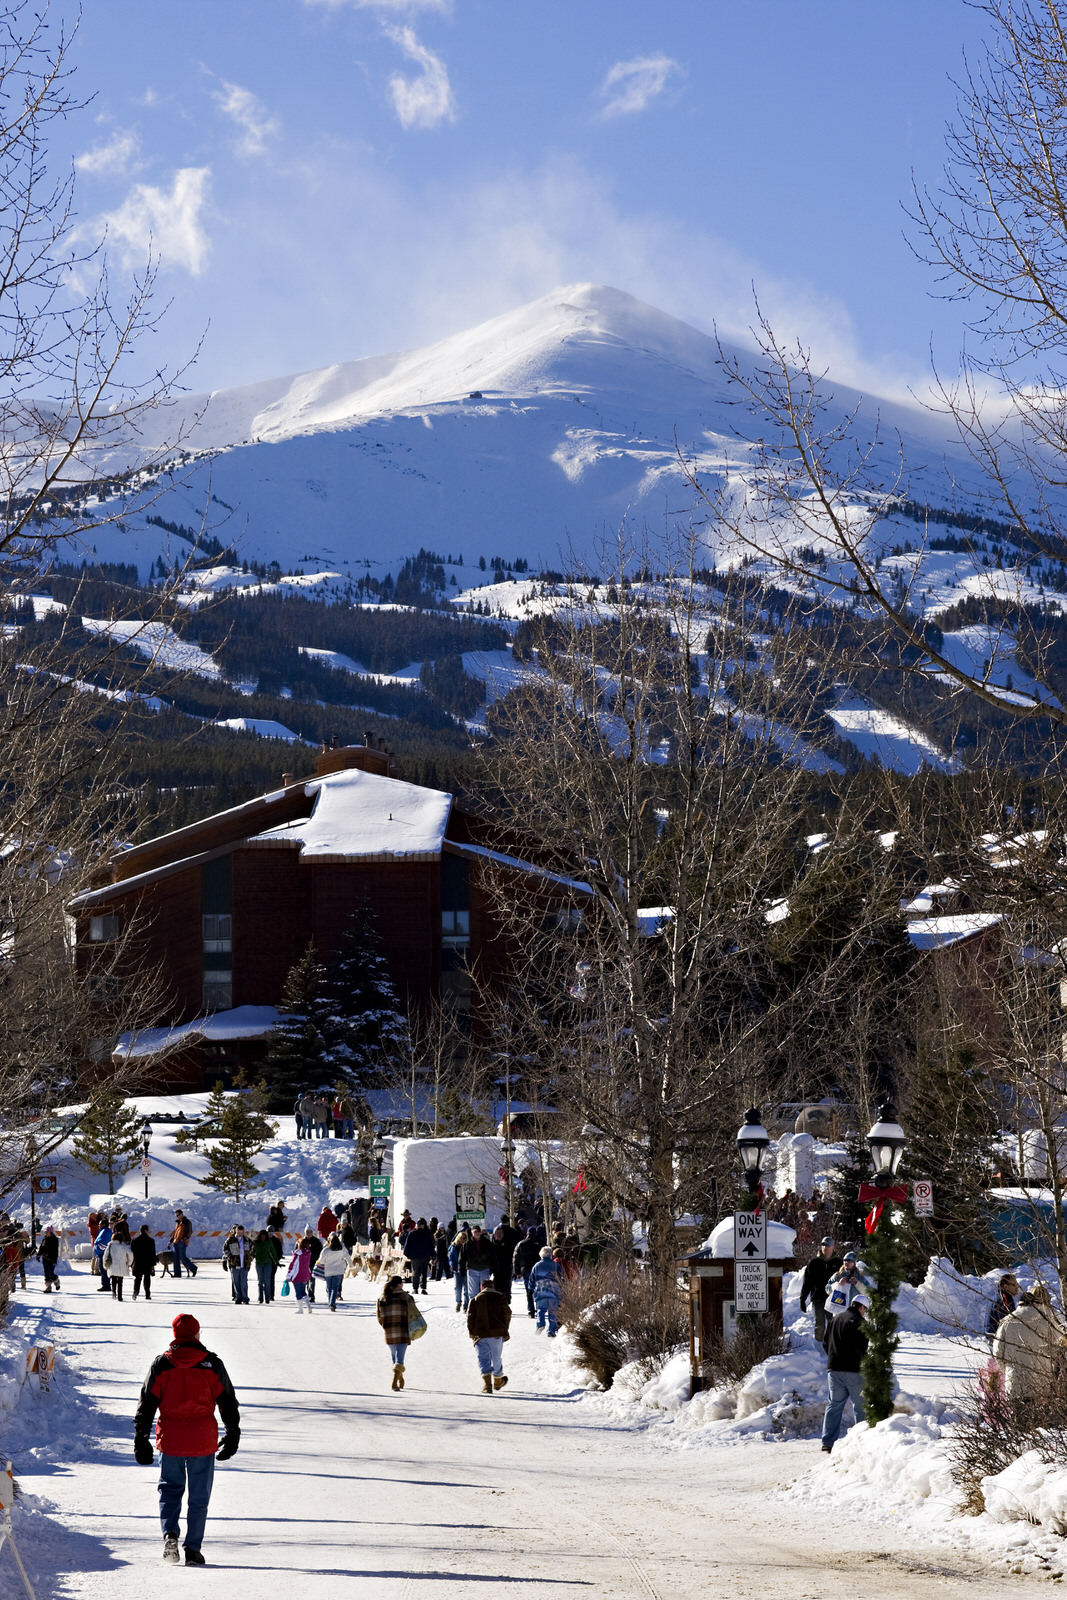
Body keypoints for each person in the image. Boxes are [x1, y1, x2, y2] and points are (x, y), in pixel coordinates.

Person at [134, 1312, 240, 1567]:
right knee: (199, 1496)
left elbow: (147, 1403)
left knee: (169, 1489)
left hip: (171, 1439)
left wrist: (141, 1436)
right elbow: (227, 1401)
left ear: (175, 1336)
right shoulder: (212, 1364)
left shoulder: (162, 1364)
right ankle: (193, 1548)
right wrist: (233, 1432)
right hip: (202, 1440)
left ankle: (170, 1534)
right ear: (196, 1334)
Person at [992, 1285, 1066, 1400]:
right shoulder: (1049, 1321)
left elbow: (998, 1353)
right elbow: (1058, 1349)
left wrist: (1010, 1371)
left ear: (1020, 1304)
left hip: (1016, 1386)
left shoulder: (1007, 1322)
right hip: (1043, 1385)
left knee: (1018, 1416)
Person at [820, 1292, 869, 1453]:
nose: (865, 1313)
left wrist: (834, 1357)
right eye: (865, 1310)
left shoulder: (835, 1319)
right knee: (860, 1406)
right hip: (854, 1369)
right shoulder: (860, 1322)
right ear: (861, 1307)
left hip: (833, 1369)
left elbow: (825, 1343)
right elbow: (862, 1347)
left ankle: (828, 1442)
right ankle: (861, 1441)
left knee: (834, 1405)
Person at [467, 1275, 512, 1392]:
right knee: (496, 1357)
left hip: (480, 1334)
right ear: (493, 1287)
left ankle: (487, 1385)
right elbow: (507, 1314)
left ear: (481, 1288)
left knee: (483, 1358)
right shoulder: (500, 1297)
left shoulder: (475, 1299)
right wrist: (504, 1328)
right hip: (497, 1333)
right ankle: (498, 1381)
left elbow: (470, 1317)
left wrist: (472, 1333)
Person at [376, 1273, 418, 1390]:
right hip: (403, 1330)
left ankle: (400, 1377)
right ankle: (394, 1383)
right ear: (400, 1284)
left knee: (394, 1356)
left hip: (389, 1331)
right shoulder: (406, 1297)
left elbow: (379, 1317)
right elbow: (413, 1314)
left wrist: (386, 1326)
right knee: (400, 1357)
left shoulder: (382, 1298)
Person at [799, 1237, 842, 1343]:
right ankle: (818, 1348)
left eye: (827, 1245)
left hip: (833, 1299)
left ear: (833, 1247)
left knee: (833, 1324)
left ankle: (832, 1346)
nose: (825, 1247)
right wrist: (802, 1299)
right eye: (823, 1245)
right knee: (820, 1325)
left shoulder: (839, 1263)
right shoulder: (814, 1263)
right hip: (817, 1298)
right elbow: (807, 1283)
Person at [530, 1246, 562, 1336]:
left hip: (541, 1291)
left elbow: (532, 1279)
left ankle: (540, 1324)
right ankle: (551, 1331)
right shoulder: (556, 1265)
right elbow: (561, 1278)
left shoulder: (536, 1266)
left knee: (540, 1309)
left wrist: (531, 1288)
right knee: (553, 1311)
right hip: (553, 1291)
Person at [460, 1224, 495, 1302]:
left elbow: (492, 1255)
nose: (477, 1233)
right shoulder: (467, 1244)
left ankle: (485, 1308)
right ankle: (473, 1308)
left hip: (484, 1268)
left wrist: (492, 1267)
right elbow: (462, 1257)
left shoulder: (487, 1242)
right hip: (472, 1269)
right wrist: (461, 1268)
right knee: (473, 1292)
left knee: (485, 1290)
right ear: (472, 1233)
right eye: (475, 1231)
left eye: (478, 1231)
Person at [514, 1229, 541, 1318]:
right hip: (538, 1269)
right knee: (538, 1290)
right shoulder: (540, 1243)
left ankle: (531, 1310)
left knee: (529, 1290)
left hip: (526, 1269)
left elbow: (516, 1258)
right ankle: (539, 1308)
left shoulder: (521, 1244)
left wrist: (517, 1272)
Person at [317, 1231, 348, 1310]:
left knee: (329, 1288)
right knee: (335, 1288)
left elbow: (321, 1261)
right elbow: (347, 1256)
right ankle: (332, 1303)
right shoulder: (341, 1250)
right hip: (339, 1271)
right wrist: (350, 1265)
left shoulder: (326, 1250)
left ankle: (330, 1302)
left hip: (328, 1272)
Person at [403, 1217, 434, 1294]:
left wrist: (408, 1255)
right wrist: (432, 1255)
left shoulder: (412, 1234)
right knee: (424, 1273)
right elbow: (431, 1245)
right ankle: (423, 1288)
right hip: (424, 1256)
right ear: (423, 1226)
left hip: (415, 1257)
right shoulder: (427, 1234)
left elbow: (407, 1246)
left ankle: (415, 1288)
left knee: (415, 1273)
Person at [104, 1226, 134, 1302]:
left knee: (113, 1280)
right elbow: (131, 1255)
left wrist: (105, 1265)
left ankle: (113, 1293)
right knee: (120, 1281)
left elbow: (105, 1256)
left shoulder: (110, 1246)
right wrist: (129, 1263)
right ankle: (120, 1296)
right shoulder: (125, 1247)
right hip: (122, 1266)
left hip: (112, 1266)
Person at [222, 1226, 251, 1305]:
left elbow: (253, 1250)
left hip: (244, 1265)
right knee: (236, 1282)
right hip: (234, 1265)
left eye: (242, 1232)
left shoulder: (247, 1240)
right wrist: (229, 1257)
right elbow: (225, 1249)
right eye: (238, 1232)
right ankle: (238, 1297)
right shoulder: (230, 1240)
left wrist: (250, 1259)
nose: (240, 1234)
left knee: (244, 1283)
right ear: (236, 1231)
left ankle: (245, 1298)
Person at [988, 1273, 1020, 1344]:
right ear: (1006, 1287)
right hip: (998, 1339)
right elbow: (1006, 1323)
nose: (1017, 1287)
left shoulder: (1005, 1298)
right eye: (1014, 1284)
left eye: (1017, 1284)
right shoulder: (1004, 1301)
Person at [285, 1236, 313, 1312]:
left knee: (298, 1292)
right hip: (305, 1275)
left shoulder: (297, 1254)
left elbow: (293, 1265)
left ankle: (300, 1309)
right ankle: (308, 1306)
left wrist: (288, 1276)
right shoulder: (308, 1253)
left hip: (297, 1275)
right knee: (303, 1291)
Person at [253, 1229, 280, 1303]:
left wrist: (276, 1262)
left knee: (267, 1281)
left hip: (268, 1263)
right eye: (262, 1236)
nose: (263, 1238)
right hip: (259, 1263)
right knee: (260, 1281)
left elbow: (273, 1252)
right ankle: (260, 1298)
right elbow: (252, 1252)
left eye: (264, 1236)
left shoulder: (269, 1242)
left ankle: (267, 1298)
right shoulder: (255, 1243)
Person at [131, 1224, 157, 1300]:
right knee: (147, 1278)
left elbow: (132, 1252)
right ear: (146, 1231)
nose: (149, 1232)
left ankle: (135, 1292)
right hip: (147, 1263)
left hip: (138, 1262)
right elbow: (152, 1254)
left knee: (138, 1278)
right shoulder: (151, 1241)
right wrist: (153, 1265)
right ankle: (147, 1293)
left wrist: (132, 1263)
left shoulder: (135, 1241)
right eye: (148, 1230)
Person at [170, 1211, 197, 1279]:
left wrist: (184, 1238)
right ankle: (177, 1273)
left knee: (182, 1257)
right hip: (176, 1242)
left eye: (178, 1215)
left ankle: (193, 1268)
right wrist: (171, 1241)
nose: (178, 1216)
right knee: (176, 1259)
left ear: (182, 1214)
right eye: (176, 1215)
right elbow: (175, 1233)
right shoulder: (178, 1223)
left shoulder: (187, 1222)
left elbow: (189, 1232)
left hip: (182, 1242)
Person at [450, 1227, 470, 1311]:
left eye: (465, 1238)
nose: (463, 1240)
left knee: (466, 1289)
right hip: (456, 1270)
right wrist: (452, 1265)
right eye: (462, 1238)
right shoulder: (454, 1247)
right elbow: (451, 1258)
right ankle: (458, 1302)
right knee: (457, 1288)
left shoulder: (468, 1247)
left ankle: (466, 1305)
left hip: (466, 1270)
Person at [37, 1226, 61, 1293]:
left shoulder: (54, 1240)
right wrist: (38, 1255)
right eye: (45, 1232)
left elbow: (55, 1251)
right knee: (46, 1273)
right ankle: (48, 1287)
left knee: (50, 1273)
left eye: (47, 1232)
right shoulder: (45, 1239)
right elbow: (41, 1248)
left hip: (51, 1259)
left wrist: (54, 1260)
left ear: (51, 1232)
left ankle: (56, 1281)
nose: (46, 1233)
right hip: (45, 1258)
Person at [94, 1216, 113, 1292]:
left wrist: (99, 1248)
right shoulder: (103, 1231)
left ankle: (106, 1285)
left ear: (104, 1224)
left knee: (104, 1270)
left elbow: (104, 1242)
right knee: (103, 1270)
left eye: (100, 1224)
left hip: (103, 1254)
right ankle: (106, 1284)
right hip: (101, 1253)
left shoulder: (105, 1231)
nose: (99, 1225)